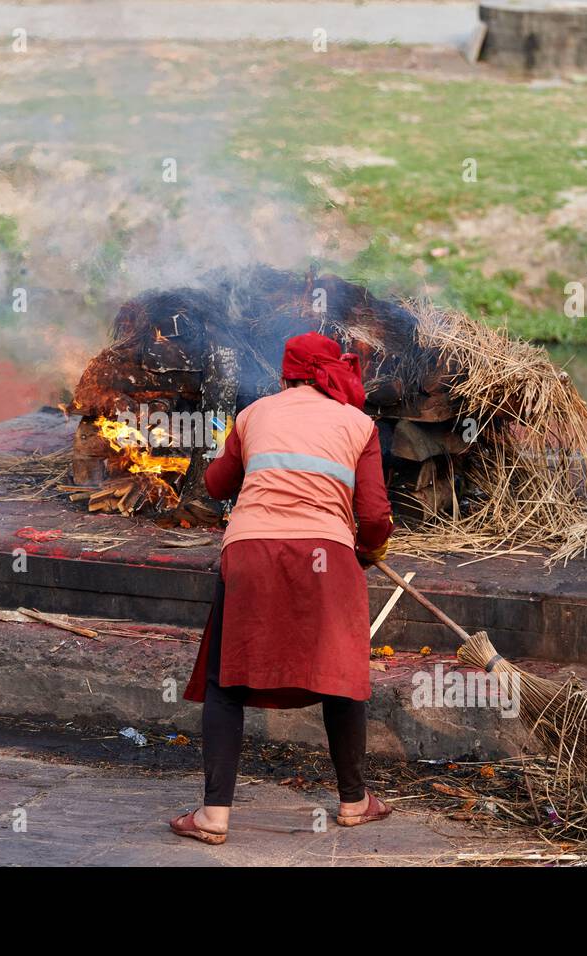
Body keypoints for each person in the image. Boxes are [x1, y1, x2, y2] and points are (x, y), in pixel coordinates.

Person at [170, 331, 394, 846]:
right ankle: (355, 802)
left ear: (285, 375)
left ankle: (214, 816)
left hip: (250, 551)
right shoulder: (360, 424)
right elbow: (375, 516)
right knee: (341, 673)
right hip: (328, 554)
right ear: (330, 372)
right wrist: (369, 551)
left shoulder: (254, 414)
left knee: (228, 680)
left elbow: (216, 485)